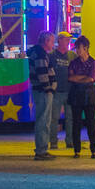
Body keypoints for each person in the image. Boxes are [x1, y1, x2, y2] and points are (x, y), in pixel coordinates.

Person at [67, 36, 95, 157]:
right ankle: (77, 150)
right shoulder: (74, 63)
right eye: (76, 48)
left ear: (85, 48)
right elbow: (70, 78)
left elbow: (91, 78)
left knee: (91, 123)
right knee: (76, 123)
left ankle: (93, 149)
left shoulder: (93, 62)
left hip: (89, 95)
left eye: (79, 48)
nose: (77, 51)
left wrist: (78, 78)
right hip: (76, 95)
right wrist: (84, 78)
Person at [26, 31, 56, 160]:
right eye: (51, 41)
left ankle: (42, 148)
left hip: (41, 91)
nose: (53, 44)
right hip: (43, 91)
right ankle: (41, 150)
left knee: (43, 119)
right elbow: (42, 73)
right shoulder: (40, 54)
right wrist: (48, 88)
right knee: (44, 120)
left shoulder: (37, 52)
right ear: (46, 41)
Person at [49, 32, 72, 148]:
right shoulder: (52, 55)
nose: (68, 42)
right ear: (60, 40)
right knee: (54, 118)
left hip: (69, 90)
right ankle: (53, 141)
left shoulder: (72, 56)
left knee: (70, 118)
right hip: (56, 91)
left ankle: (70, 141)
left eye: (69, 40)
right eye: (67, 40)